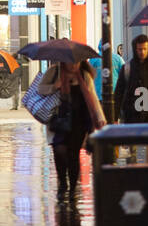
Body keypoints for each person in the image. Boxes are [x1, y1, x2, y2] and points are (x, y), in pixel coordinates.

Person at [36, 59, 105, 200]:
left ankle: (73, 187)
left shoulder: (84, 76)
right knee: (59, 151)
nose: (74, 65)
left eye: (77, 62)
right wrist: (55, 86)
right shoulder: (54, 72)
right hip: (59, 121)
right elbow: (40, 89)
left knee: (73, 155)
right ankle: (63, 183)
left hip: (78, 122)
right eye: (71, 62)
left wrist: (100, 118)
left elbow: (92, 98)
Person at [114, 35, 148, 123]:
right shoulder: (128, 68)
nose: (142, 52)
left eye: (144, 49)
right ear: (135, 49)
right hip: (131, 115)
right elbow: (119, 93)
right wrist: (115, 117)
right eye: (139, 49)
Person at [89, 41, 124, 107]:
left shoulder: (93, 59)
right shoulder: (118, 59)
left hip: (98, 94)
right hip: (115, 93)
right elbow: (124, 75)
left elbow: (88, 75)